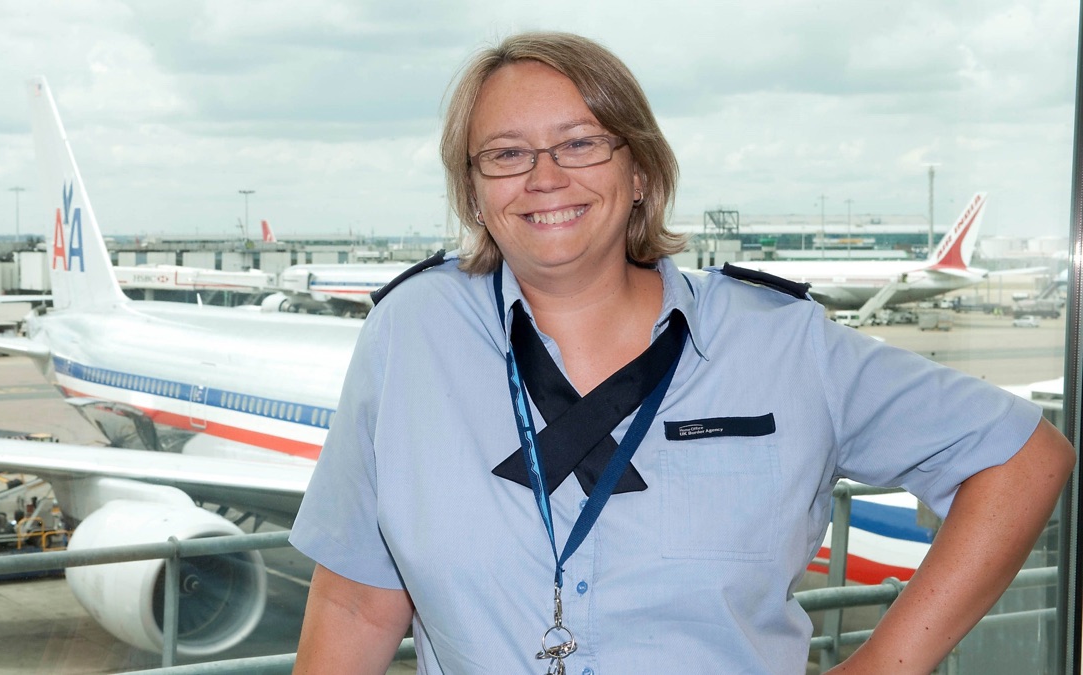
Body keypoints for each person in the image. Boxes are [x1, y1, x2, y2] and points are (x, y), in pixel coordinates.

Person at [289, 32, 1076, 674]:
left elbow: (1023, 455)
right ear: (473, 190)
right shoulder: (411, 335)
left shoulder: (779, 341)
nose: (544, 177)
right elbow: (357, 602)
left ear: (639, 171)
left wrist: (884, 664)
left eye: (580, 143)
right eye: (506, 154)